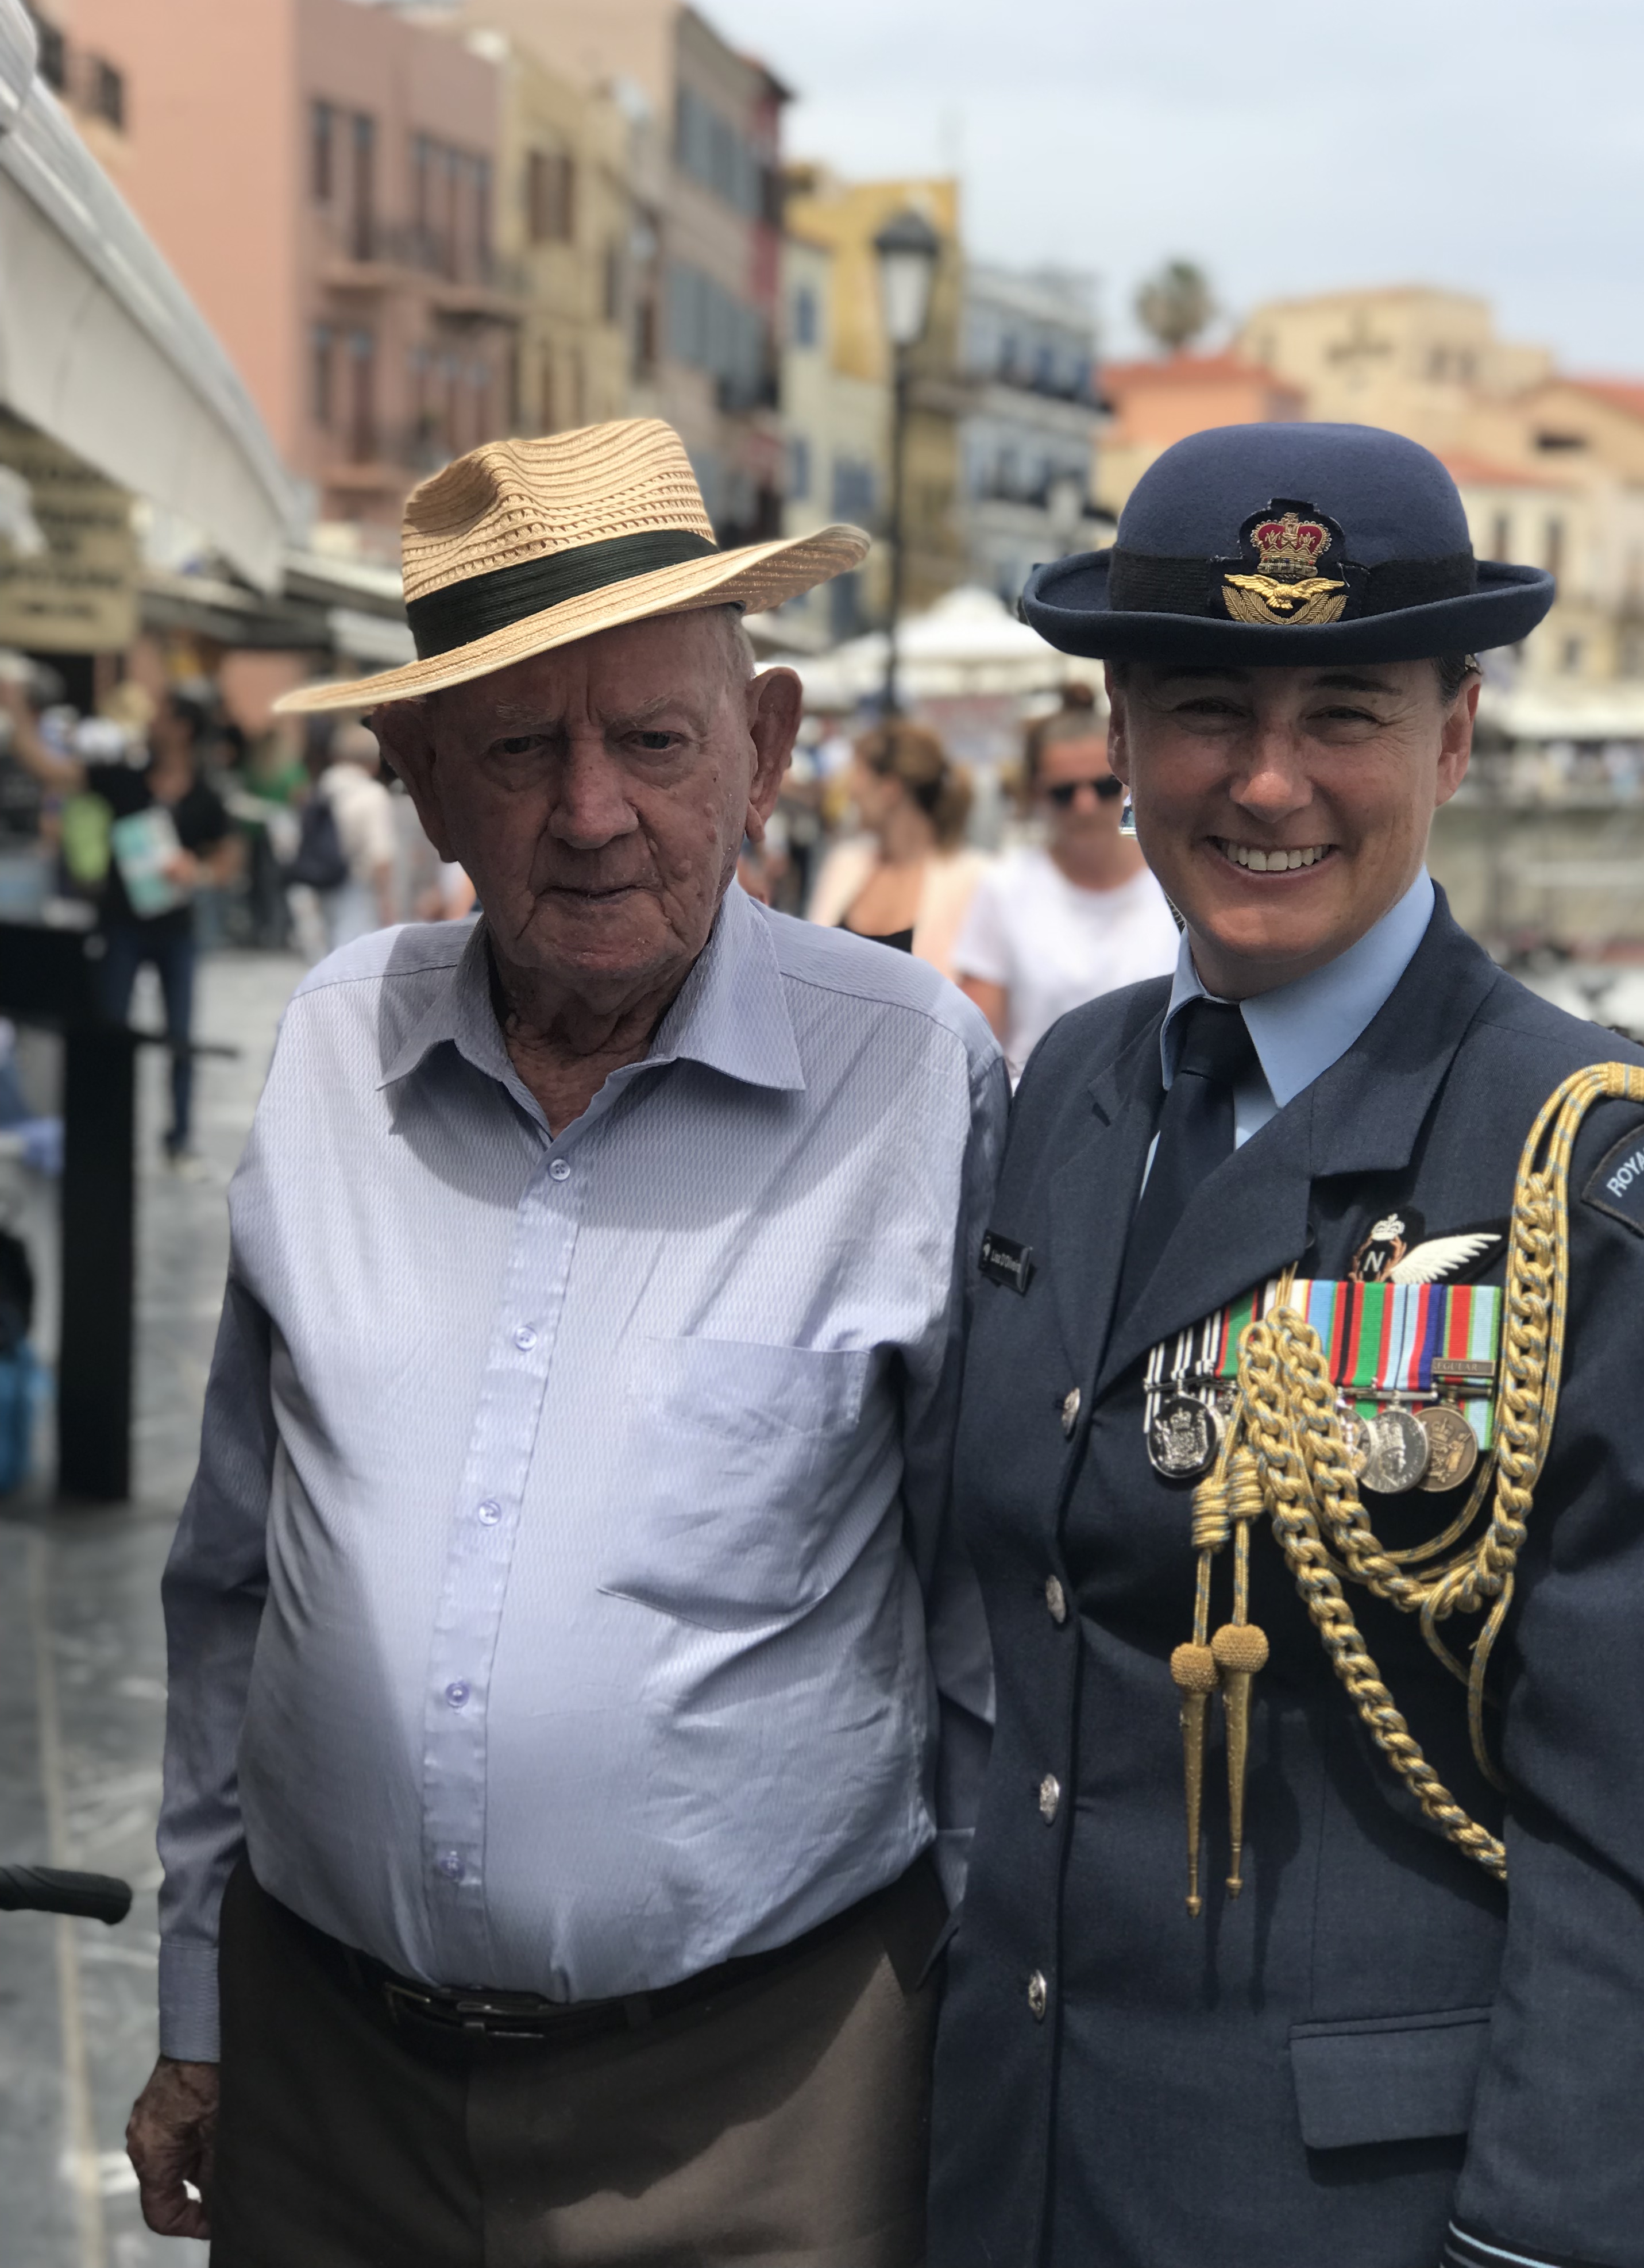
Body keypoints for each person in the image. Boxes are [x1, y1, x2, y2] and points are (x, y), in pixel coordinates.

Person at [125, 419, 1005, 2267]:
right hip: (329, 2086)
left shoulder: (916, 1079)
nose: (591, 810)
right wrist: (201, 2000)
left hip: (766, 2119)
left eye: (655, 741)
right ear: (416, 772)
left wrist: (999, 2095)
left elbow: (989, 1653)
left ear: (763, 750)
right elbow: (231, 1583)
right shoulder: (329, 1048)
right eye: (521, 745)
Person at [927, 421, 1644, 2268]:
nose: (1271, 781)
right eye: (1207, 707)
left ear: (1455, 737)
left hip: (1351, 2216)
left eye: (1348, 714)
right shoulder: (1071, 1089)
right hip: (1014, 2172)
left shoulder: (1586, 1174)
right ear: (1119, 741)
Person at [9, 684, 239, 1168]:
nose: (150, 721)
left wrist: (194, 872)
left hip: (176, 930)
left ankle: (178, 1141)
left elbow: (228, 861)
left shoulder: (206, 795)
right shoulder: (122, 779)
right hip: (121, 927)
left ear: (181, 727)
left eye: (160, 713)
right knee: (107, 1034)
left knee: (180, 1038)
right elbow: (49, 769)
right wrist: (16, 710)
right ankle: (100, 1134)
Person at [954, 688, 1179, 1079]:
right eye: (1064, 792)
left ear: (1129, 778)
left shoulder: (1174, 880)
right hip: (1039, 1118)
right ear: (1036, 794)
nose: (1085, 804)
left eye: (1103, 786)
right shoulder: (1005, 887)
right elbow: (977, 1042)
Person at [806, 716, 986, 979]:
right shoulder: (844, 863)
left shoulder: (971, 878)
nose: (852, 791)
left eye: (858, 774)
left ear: (890, 789)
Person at [314, 716, 398, 948]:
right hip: (357, 889)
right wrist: (386, 903)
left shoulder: (321, 789)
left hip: (320, 884)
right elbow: (380, 855)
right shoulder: (371, 795)